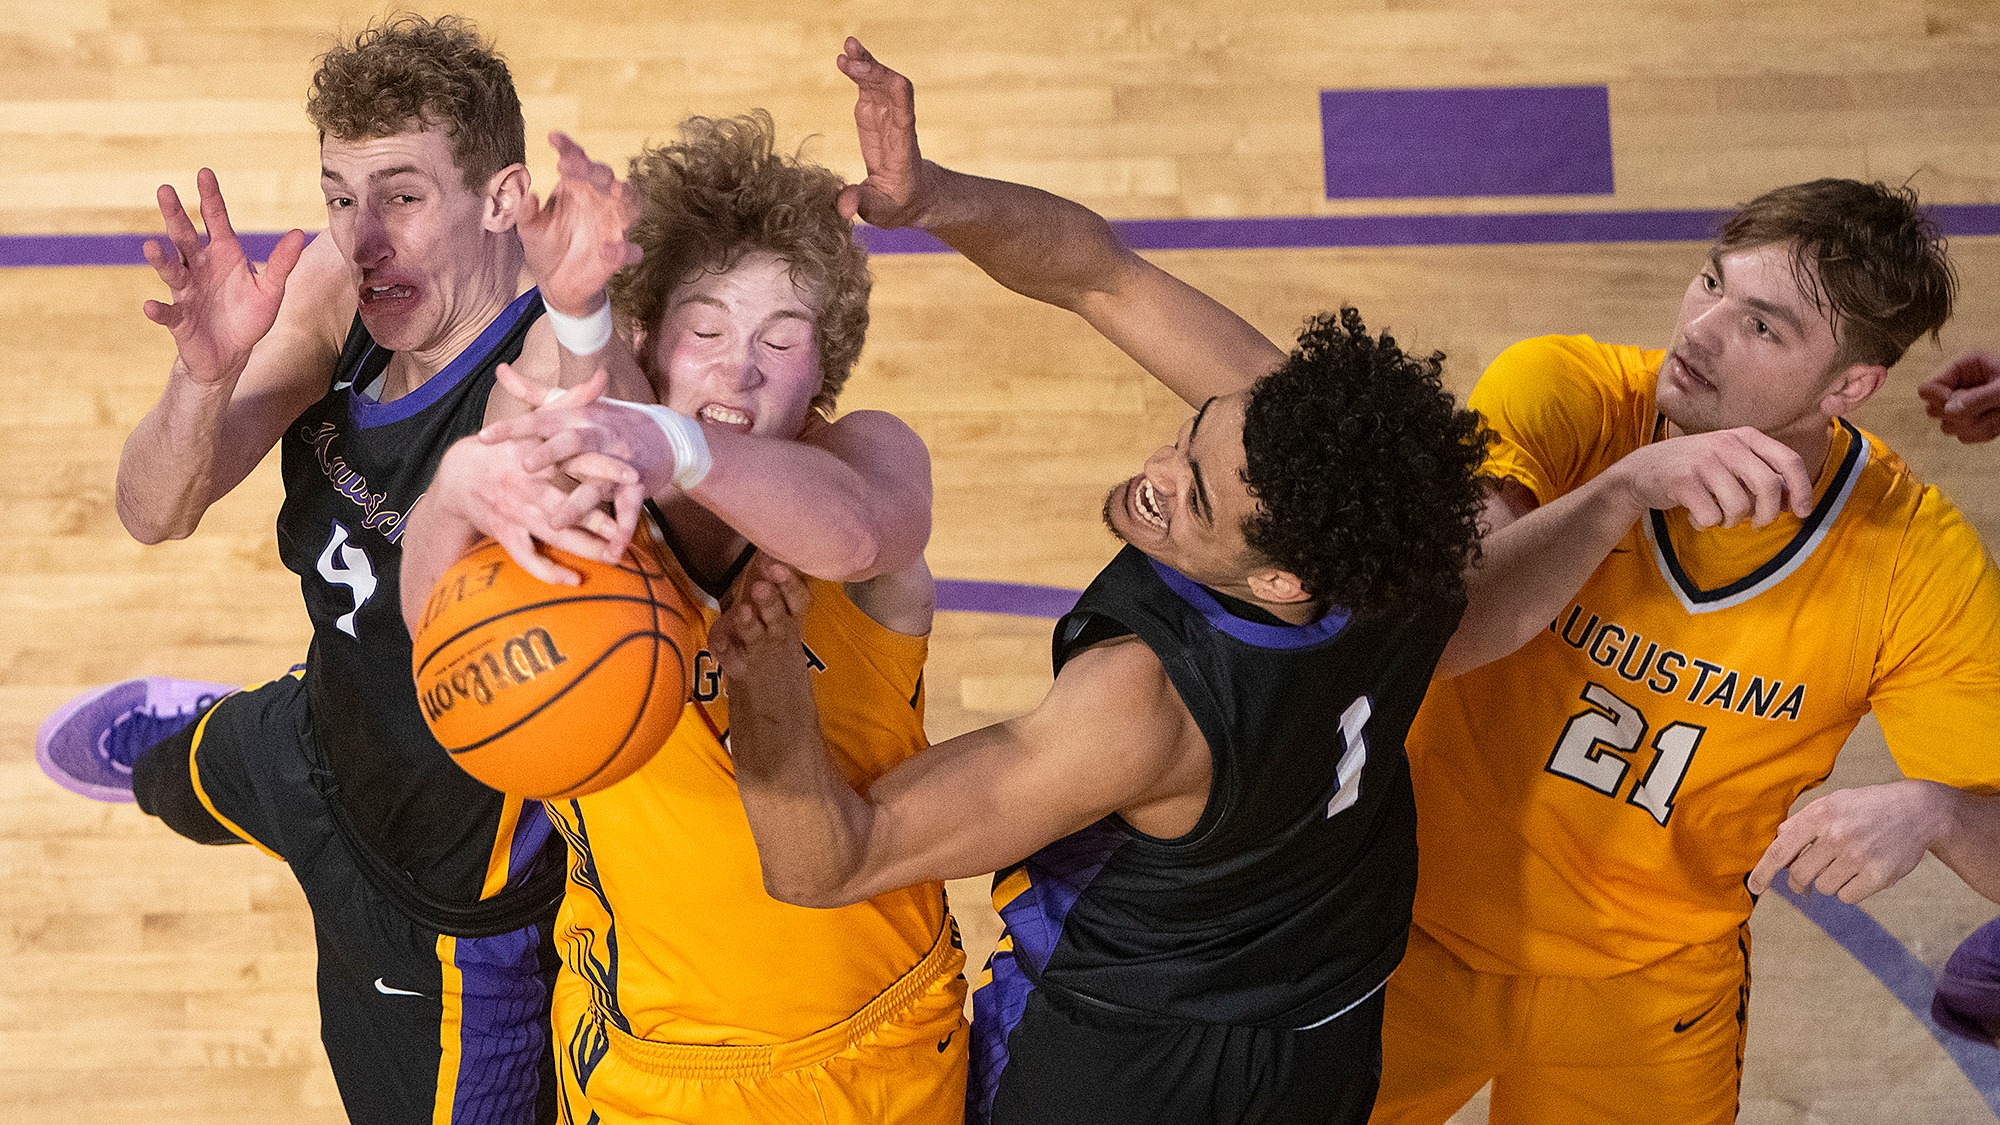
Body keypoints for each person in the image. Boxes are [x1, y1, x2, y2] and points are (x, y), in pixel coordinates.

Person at [703, 41, 1491, 1125]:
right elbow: (1095, 271)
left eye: (1193, 496)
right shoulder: (1396, 532)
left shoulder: (1138, 707)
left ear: (1277, 574)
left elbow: (832, 862)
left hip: (1126, 1070)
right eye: (1188, 436)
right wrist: (934, 197)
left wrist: (763, 676)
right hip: (1327, 1013)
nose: (1154, 474)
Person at [32, 15, 639, 1123]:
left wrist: (588, 310)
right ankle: (194, 740)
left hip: (449, 897)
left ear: (502, 199)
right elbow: (151, 512)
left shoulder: (546, 362)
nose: (365, 237)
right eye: (338, 195)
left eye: (402, 196)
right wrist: (204, 378)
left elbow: (581, 399)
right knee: (178, 775)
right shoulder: (330, 285)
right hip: (318, 731)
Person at [1368, 180, 2000, 1125]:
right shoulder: (1565, 390)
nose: (1700, 330)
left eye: (1760, 326)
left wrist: (1940, 812)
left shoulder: (1915, 559)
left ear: (1849, 388)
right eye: (1710, 281)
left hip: (1650, 991)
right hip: (1396, 925)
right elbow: (1440, 630)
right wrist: (1621, 490)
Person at [398, 110, 968, 1125]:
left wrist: (673, 447)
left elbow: (860, 535)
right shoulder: (584, 500)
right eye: (706, 330)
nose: (738, 368)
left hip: (876, 1047)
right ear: (649, 342)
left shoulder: (862, 460)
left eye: (780, 339)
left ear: (823, 364)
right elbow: (438, 641)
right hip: (654, 1064)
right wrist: (454, 487)